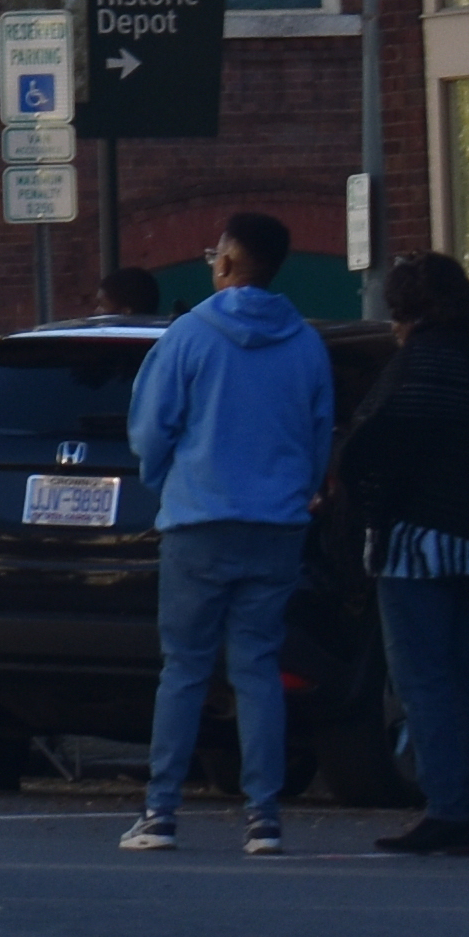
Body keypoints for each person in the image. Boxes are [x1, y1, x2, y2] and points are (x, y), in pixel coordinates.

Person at [124, 207, 338, 852]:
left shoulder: (188, 336)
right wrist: (299, 490)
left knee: (185, 668)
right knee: (257, 669)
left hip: (199, 518)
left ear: (225, 262)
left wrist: (166, 477)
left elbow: (149, 428)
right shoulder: (305, 341)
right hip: (276, 524)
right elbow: (318, 433)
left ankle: (161, 811)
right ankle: (263, 816)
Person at [342, 252, 469, 857]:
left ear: (406, 310)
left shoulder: (414, 365)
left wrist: (361, 510)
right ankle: (465, 803)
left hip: (414, 544)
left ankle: (447, 807)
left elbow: (373, 449)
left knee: (423, 679)